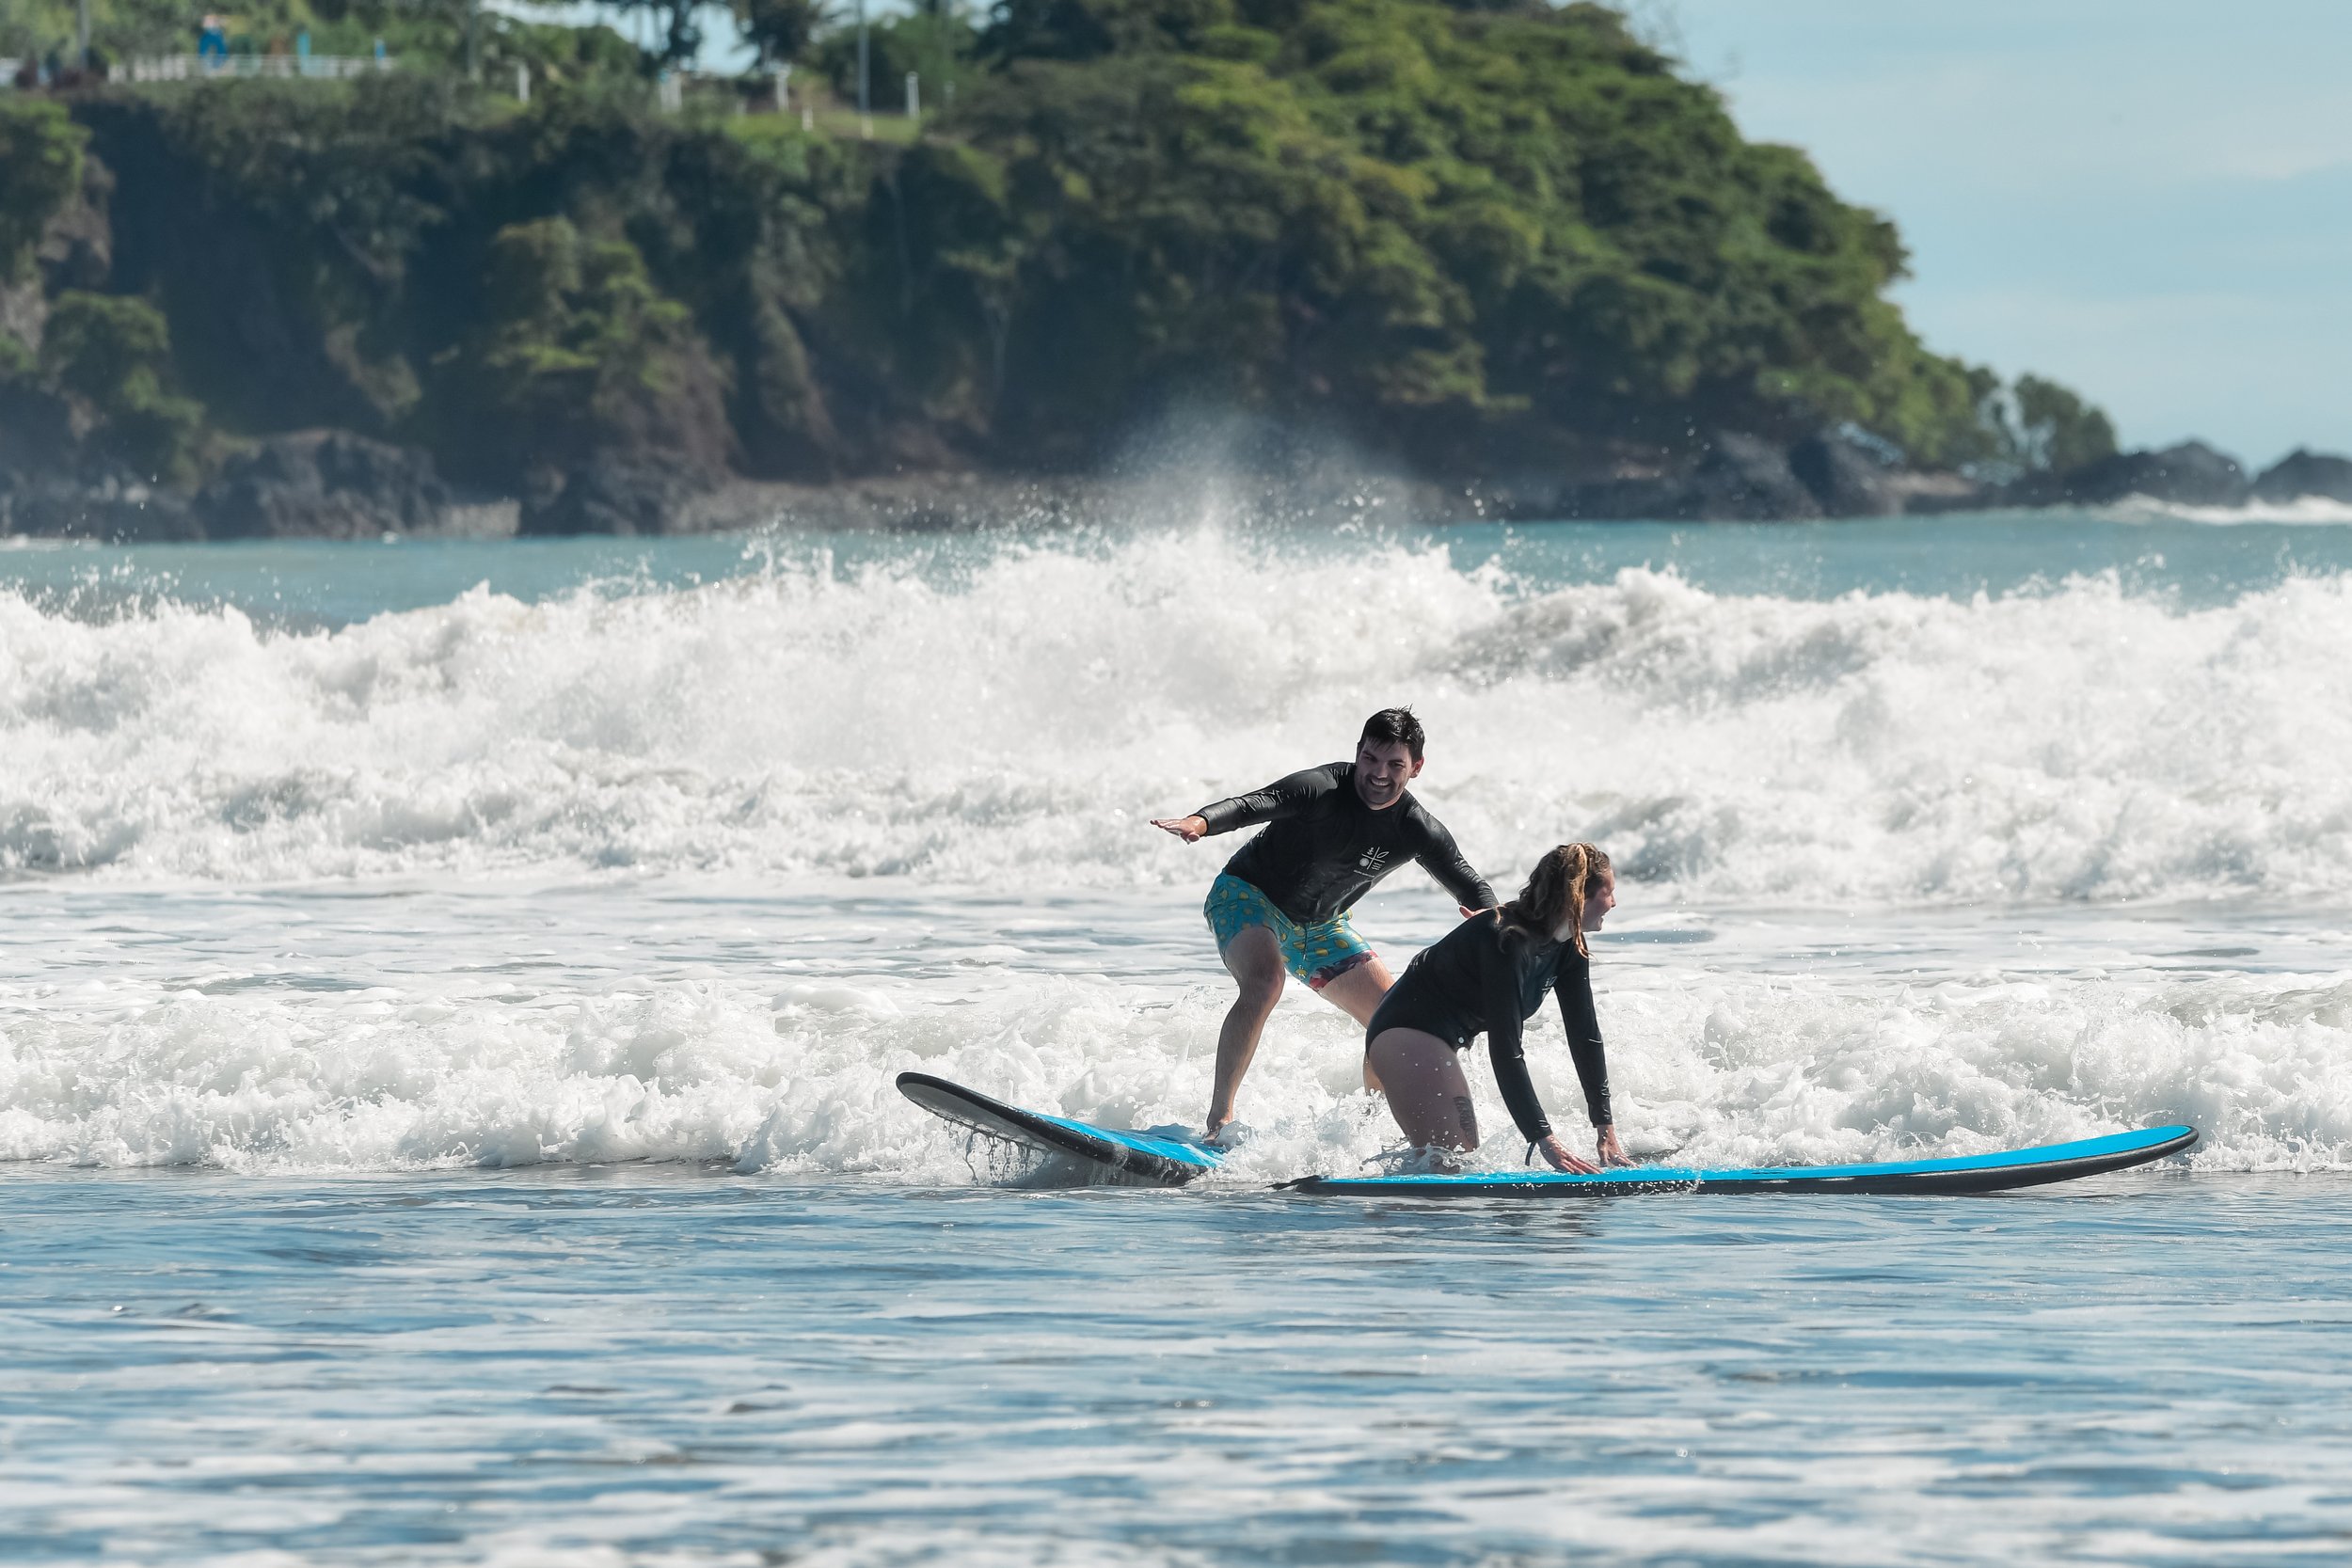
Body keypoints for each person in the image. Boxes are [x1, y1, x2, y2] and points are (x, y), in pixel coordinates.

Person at [1152, 708, 1495, 1138]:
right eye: (1370, 759)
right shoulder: (1321, 788)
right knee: (1265, 982)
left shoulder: (1416, 828)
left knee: (1395, 1019)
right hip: (1247, 897)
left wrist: (1493, 926)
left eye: (1395, 765)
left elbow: (1471, 886)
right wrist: (1200, 821)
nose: (1379, 774)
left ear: (1417, 768)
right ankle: (1218, 1121)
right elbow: (1253, 804)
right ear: (1358, 753)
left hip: (1323, 926)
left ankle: (1371, 1129)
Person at [1364, 842, 1629, 1173]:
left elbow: (1585, 1035)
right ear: (1579, 896)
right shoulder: (1507, 940)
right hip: (1406, 1033)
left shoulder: (1568, 945)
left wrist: (1605, 1128)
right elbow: (1505, 1049)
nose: (1614, 903)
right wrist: (1543, 1140)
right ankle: (1377, 1199)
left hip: (1441, 1039)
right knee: (1449, 1159)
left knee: (1453, 1158)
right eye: (1609, 892)